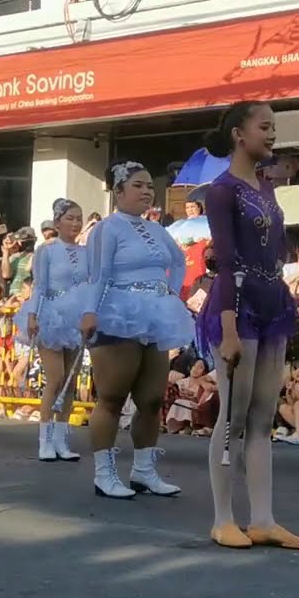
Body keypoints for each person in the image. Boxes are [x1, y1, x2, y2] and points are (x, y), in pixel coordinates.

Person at [197, 101, 299, 550]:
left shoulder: (266, 186)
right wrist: (227, 330)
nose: (272, 134)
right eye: (265, 126)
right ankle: (223, 517)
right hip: (237, 306)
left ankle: (263, 518)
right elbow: (225, 263)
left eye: (274, 127)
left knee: (263, 416)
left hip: (272, 301)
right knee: (233, 416)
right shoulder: (221, 190)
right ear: (238, 135)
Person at [79, 160, 194, 500]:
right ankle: (105, 473)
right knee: (112, 396)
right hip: (117, 312)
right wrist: (89, 310)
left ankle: (144, 471)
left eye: (149, 185)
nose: (146, 191)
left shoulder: (159, 230)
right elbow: (97, 273)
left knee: (152, 398)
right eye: (138, 185)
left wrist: (169, 293)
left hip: (155, 315)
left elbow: (177, 262)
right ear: (118, 192)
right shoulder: (107, 229)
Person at [16, 197, 88, 461]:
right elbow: (40, 286)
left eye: (79, 218)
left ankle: (62, 441)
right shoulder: (47, 251)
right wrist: (33, 315)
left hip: (76, 317)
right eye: (70, 218)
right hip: (51, 314)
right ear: (57, 222)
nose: (75, 223)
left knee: (70, 383)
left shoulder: (86, 253)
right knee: (55, 379)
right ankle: (44, 441)